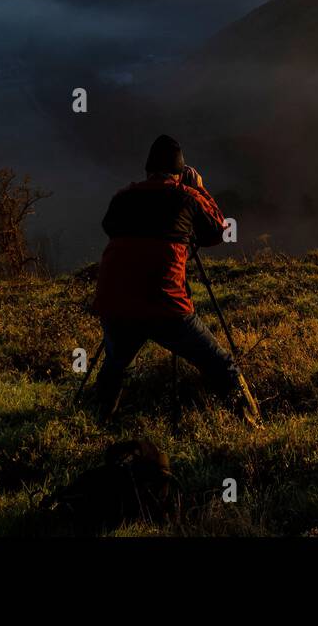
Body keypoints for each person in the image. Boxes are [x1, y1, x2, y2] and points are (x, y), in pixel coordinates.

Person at [90, 134, 256, 423]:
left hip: (114, 301)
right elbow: (217, 232)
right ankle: (254, 425)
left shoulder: (122, 197)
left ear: (147, 170)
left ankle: (93, 423)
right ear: (181, 173)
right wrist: (201, 190)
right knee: (220, 364)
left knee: (116, 366)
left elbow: (110, 228)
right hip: (165, 304)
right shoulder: (187, 196)